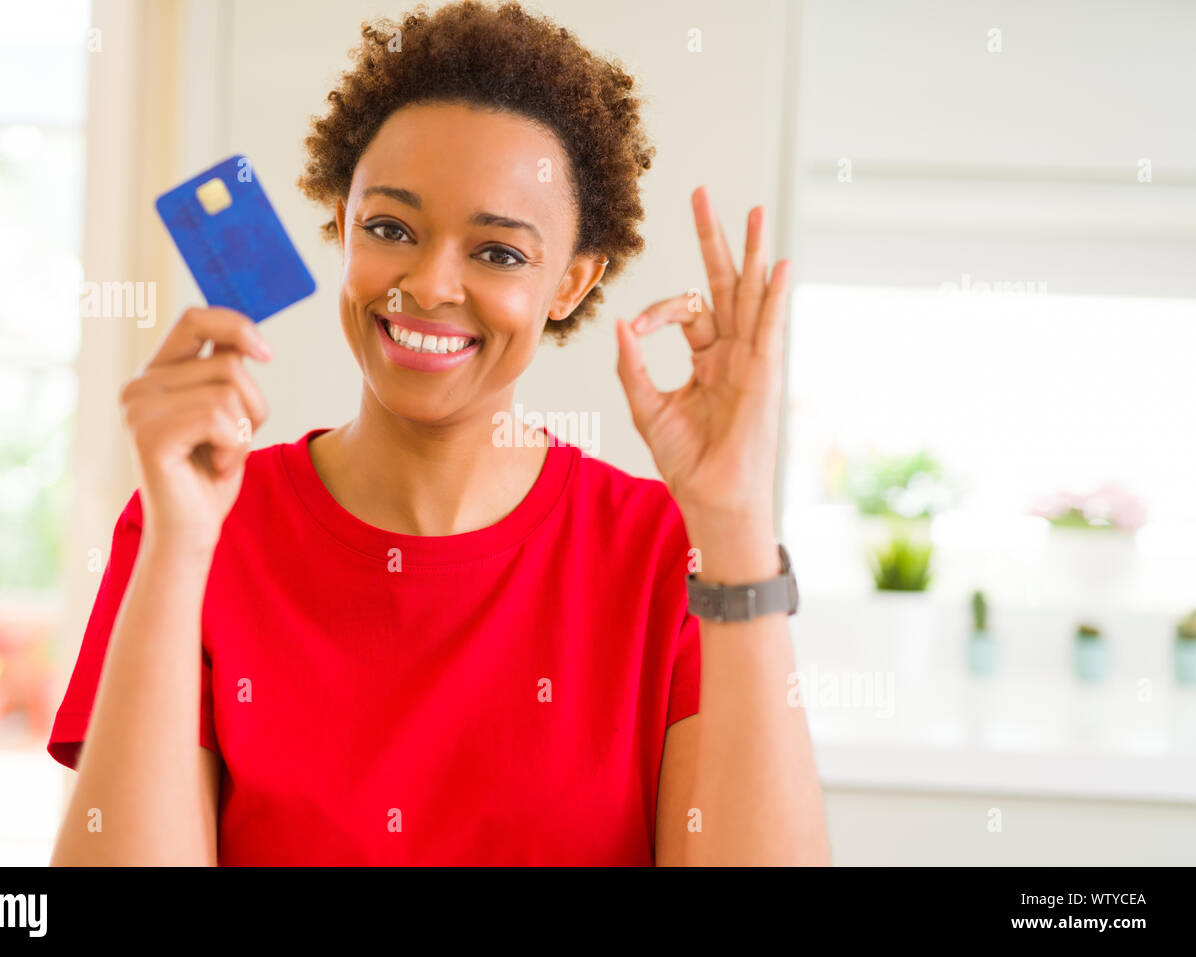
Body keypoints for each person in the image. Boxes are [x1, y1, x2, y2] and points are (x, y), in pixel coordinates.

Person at [47, 0, 830, 866]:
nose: (427, 283)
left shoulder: (673, 556)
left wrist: (734, 526)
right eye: (390, 228)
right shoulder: (189, 523)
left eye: (497, 252)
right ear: (342, 228)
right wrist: (181, 548)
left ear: (570, 282)